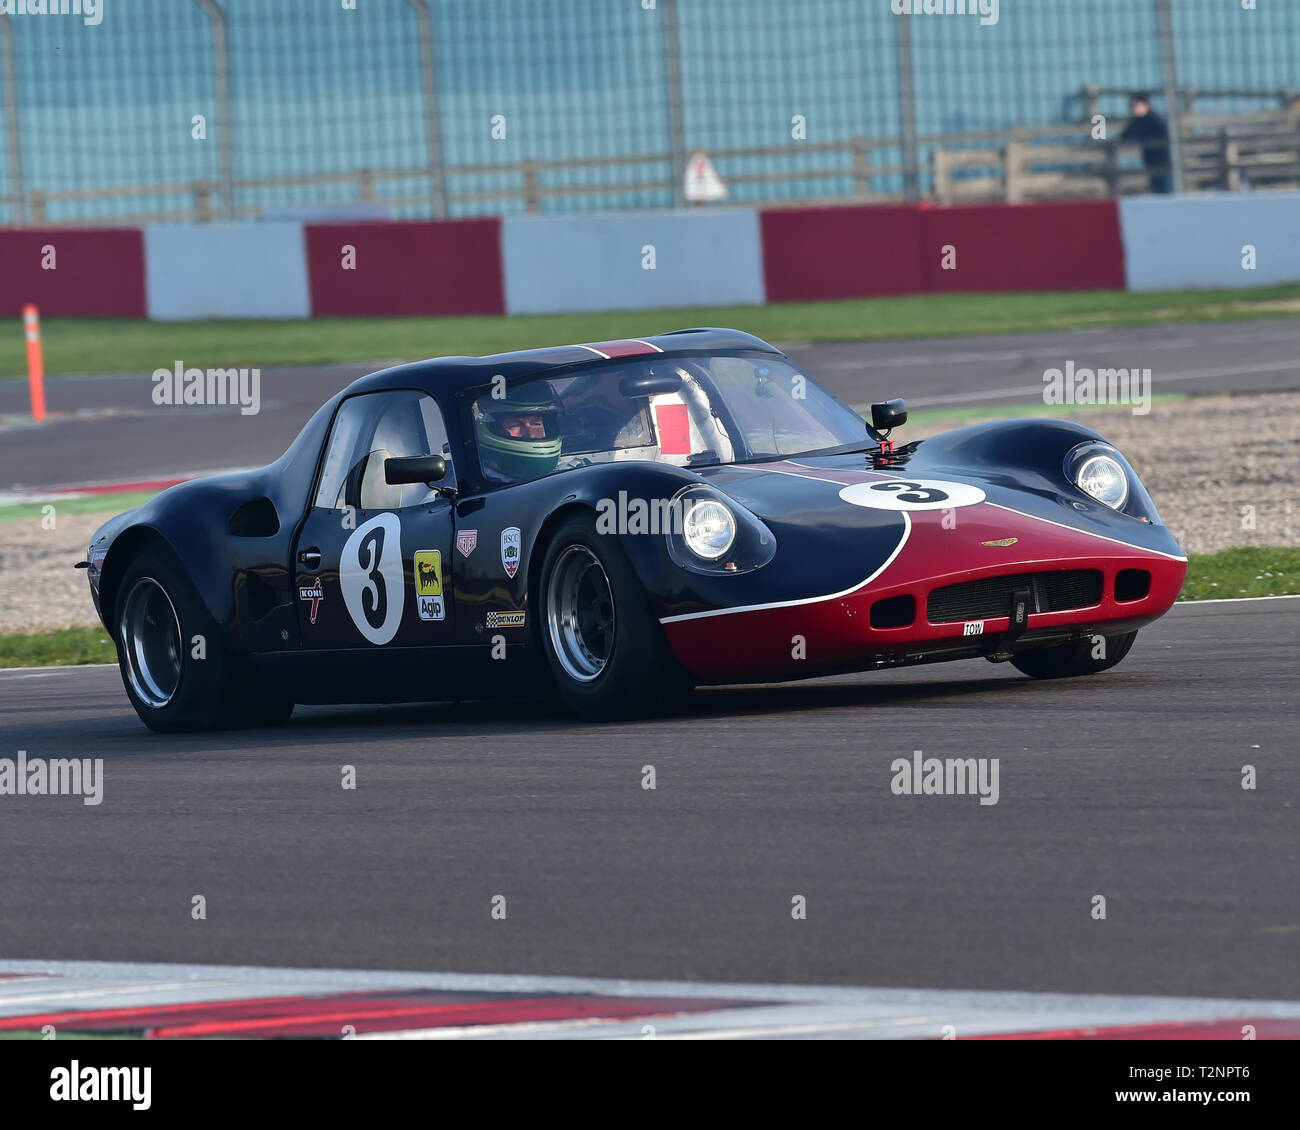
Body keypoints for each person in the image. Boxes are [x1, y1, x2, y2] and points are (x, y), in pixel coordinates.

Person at [475, 384, 563, 481]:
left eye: (536, 423)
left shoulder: (569, 470)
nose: (532, 435)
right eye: (514, 425)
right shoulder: (478, 484)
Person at [1119, 92, 1172, 194]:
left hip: (1162, 161)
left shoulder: (1154, 119)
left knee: (1165, 189)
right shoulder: (1137, 121)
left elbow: (1164, 135)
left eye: (1136, 105)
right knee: (1156, 189)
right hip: (1150, 161)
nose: (1134, 109)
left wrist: (1147, 140)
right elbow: (1124, 136)